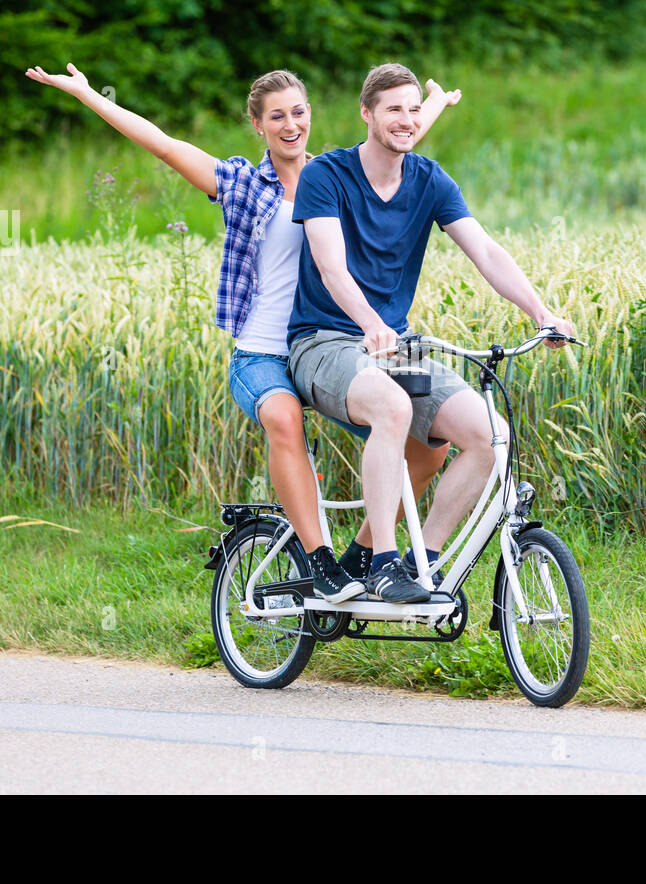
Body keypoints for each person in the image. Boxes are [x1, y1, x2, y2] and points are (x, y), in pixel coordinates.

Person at [24, 62, 459, 602]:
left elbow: (395, 140)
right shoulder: (239, 183)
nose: (290, 124)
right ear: (259, 125)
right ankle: (319, 558)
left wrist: (433, 102)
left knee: (428, 444)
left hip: (332, 347)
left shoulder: (338, 176)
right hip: (263, 354)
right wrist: (89, 95)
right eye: (276, 116)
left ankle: (365, 555)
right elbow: (163, 145)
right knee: (283, 417)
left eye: (298, 112)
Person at [288, 63, 576, 604]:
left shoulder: (429, 179)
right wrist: (370, 323)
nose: (406, 119)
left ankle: (423, 563)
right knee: (393, 408)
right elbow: (331, 267)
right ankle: (383, 560)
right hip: (324, 341)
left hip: (394, 344)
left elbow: (486, 251)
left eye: (414, 108)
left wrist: (542, 313)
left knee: (491, 436)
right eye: (393, 108)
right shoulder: (326, 175)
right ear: (366, 113)